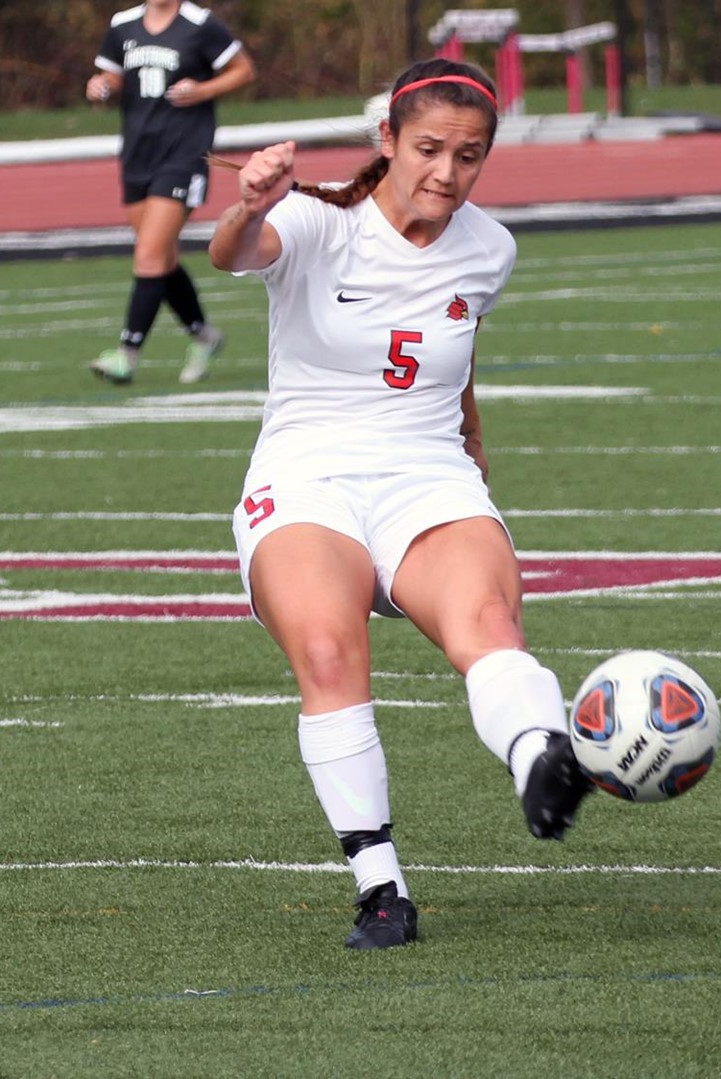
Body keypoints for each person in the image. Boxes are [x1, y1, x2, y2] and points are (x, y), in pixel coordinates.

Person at [208, 58, 592, 951]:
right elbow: (231, 253)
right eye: (428, 150)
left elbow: (459, 356)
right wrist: (252, 201)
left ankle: (543, 760)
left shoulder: (490, 248)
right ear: (386, 140)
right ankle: (381, 887)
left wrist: (475, 449)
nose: (446, 174)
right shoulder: (312, 222)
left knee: (487, 620)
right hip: (308, 474)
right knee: (327, 645)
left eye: (469, 156)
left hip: (428, 472)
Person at [86, 0, 256, 387]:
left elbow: (244, 70)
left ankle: (126, 354)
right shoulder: (123, 24)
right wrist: (100, 87)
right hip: (137, 153)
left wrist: (204, 89)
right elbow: (110, 76)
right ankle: (204, 335)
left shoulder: (200, 24)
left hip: (183, 153)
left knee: (148, 254)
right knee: (161, 256)